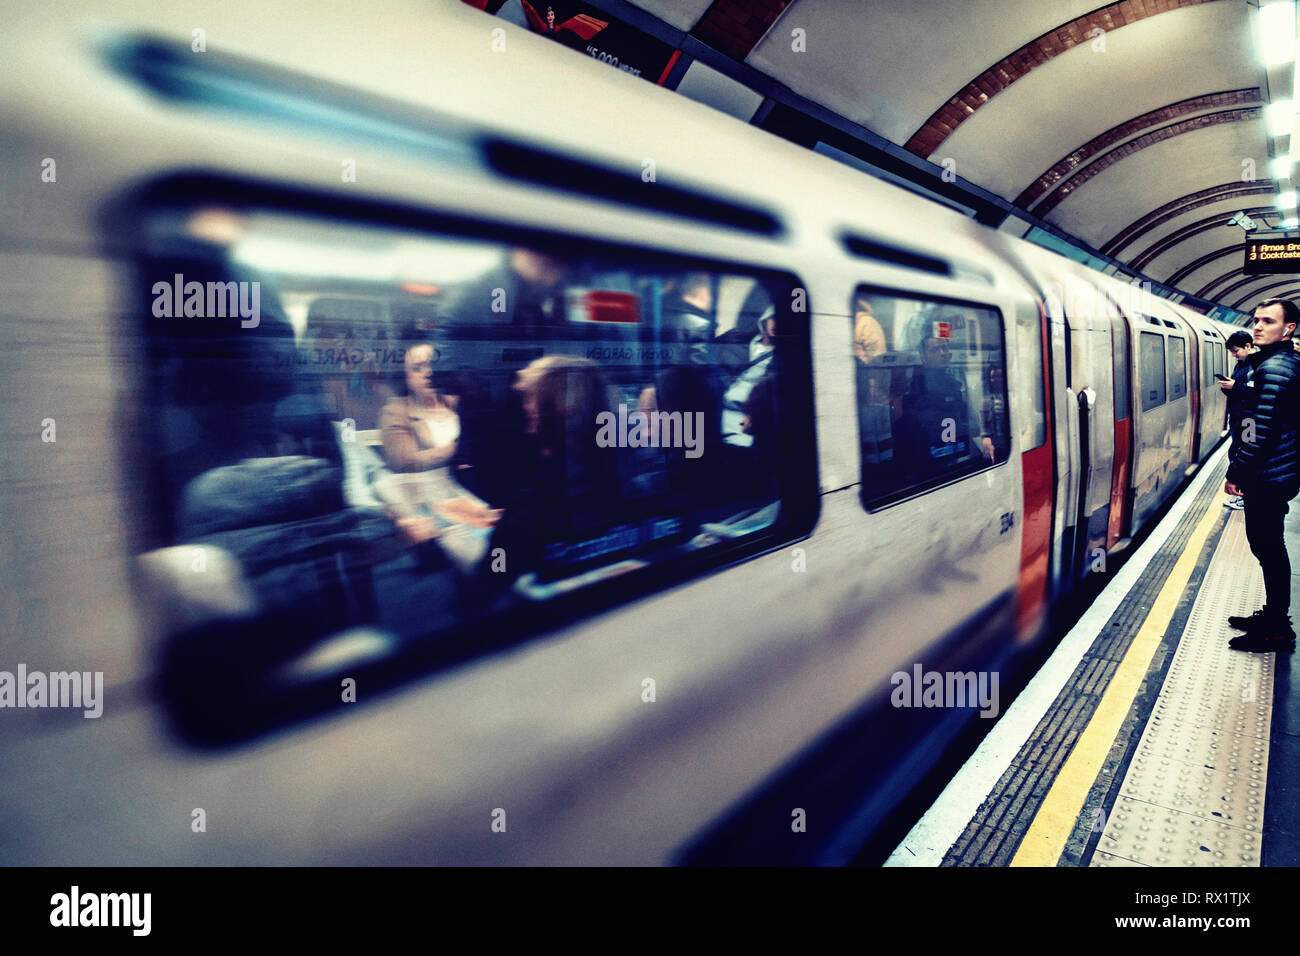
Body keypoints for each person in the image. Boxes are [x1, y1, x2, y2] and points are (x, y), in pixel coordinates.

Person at [1223, 298, 1300, 652]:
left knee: (1268, 547)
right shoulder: (1273, 363)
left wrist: (1237, 470)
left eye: (1268, 321)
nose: (1257, 326)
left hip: (1267, 477)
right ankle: (1273, 616)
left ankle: (1277, 630)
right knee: (1268, 547)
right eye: (1256, 320)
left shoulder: (1275, 369)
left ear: (1288, 329)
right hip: (1274, 473)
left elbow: (1258, 430)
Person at [1219, 330, 1255, 511]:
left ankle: (1245, 496)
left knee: (1244, 454)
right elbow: (1239, 390)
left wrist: (1236, 386)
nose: (1234, 355)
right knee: (1236, 452)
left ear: (1248, 346)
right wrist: (1228, 387)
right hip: (1237, 418)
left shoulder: (1256, 365)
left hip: (1249, 420)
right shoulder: (1240, 365)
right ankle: (1243, 494)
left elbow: (1259, 392)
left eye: (1236, 351)